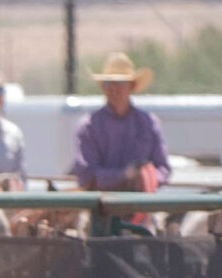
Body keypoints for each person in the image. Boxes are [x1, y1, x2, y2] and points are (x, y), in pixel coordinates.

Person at [72, 51, 171, 192]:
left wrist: (148, 178)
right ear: (103, 87)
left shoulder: (149, 123)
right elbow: (87, 174)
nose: (113, 88)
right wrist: (125, 175)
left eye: (120, 82)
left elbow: (163, 168)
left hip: (142, 206)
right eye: (107, 83)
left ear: (132, 86)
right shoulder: (89, 127)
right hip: (102, 208)